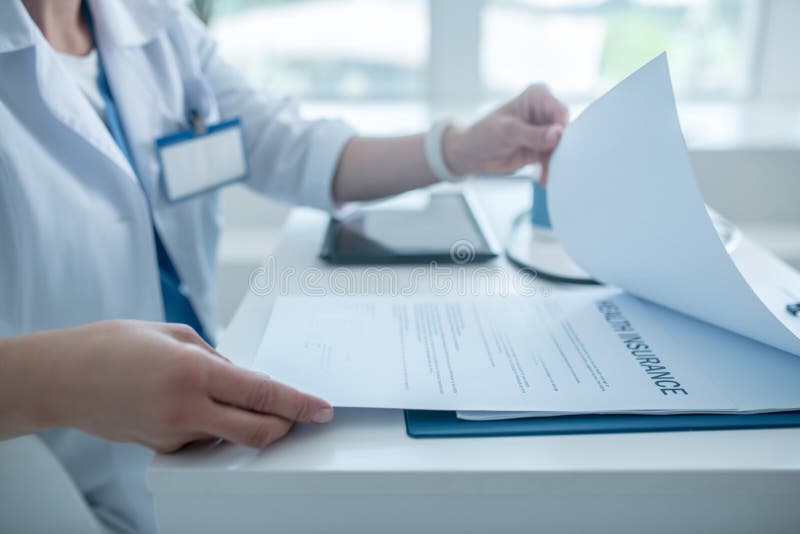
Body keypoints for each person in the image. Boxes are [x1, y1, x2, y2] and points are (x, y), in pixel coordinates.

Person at [0, 0, 569, 531]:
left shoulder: (152, 21)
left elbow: (288, 145)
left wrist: (458, 148)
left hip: (194, 444)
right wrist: (67, 383)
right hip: (39, 468)